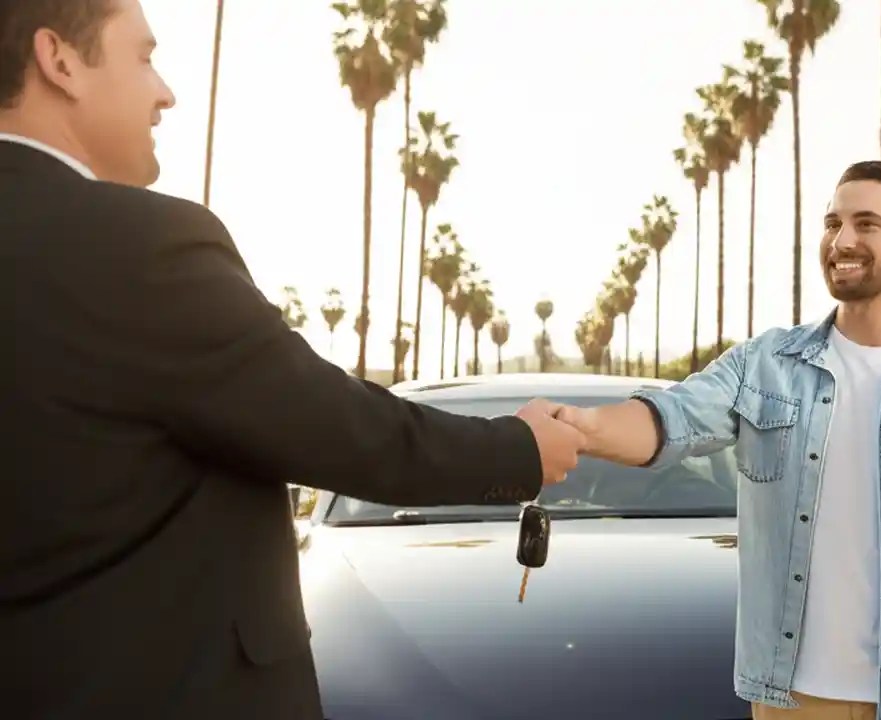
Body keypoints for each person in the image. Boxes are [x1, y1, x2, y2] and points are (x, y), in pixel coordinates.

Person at [0, 2, 584, 718]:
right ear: (59, 61)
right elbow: (330, 424)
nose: (165, 91)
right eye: (144, 56)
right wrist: (519, 448)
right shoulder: (135, 248)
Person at [552, 161, 881, 720]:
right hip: (798, 706)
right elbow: (672, 419)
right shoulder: (765, 366)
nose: (841, 240)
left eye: (866, 224)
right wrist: (582, 427)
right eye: (832, 223)